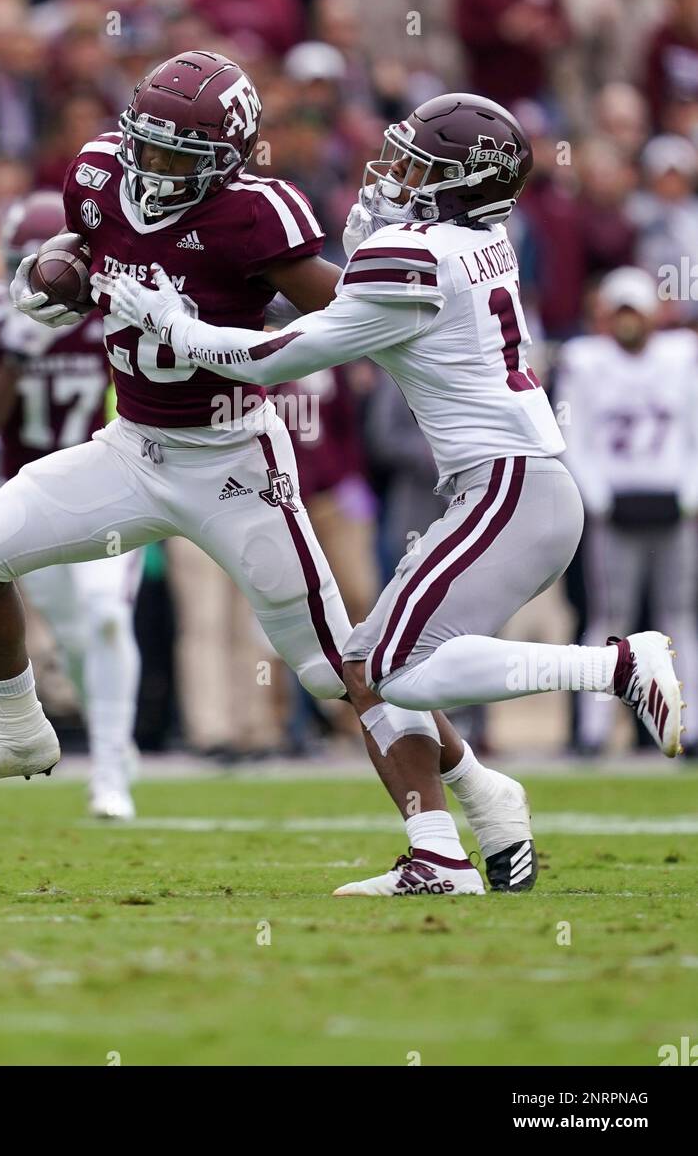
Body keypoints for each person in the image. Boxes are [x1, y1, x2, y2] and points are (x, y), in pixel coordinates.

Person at [0, 53, 534, 892]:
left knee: (341, 669)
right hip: (131, 448)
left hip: (235, 461)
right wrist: (52, 273)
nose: (153, 167)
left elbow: (349, 312)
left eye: (178, 157)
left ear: (228, 159)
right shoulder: (96, 173)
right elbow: (85, 244)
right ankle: (20, 730)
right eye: (146, 146)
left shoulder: (257, 214)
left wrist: (229, 326)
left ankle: (474, 805)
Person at [104, 92, 685, 898]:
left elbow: (273, 358)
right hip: (511, 488)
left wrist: (172, 323)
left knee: (398, 670)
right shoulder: (476, 240)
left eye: (415, 169)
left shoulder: (417, 256)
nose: (391, 178)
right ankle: (445, 848)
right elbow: (363, 300)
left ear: (460, 185)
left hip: (510, 488)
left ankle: (616, 666)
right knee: (365, 666)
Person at [0, 191, 143, 819]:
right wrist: (15, 356)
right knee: (74, 636)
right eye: (25, 265)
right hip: (31, 497)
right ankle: (113, 739)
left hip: (109, 484)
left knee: (106, 615)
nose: (43, 282)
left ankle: (109, 772)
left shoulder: (112, 309)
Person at [555, 266, 698, 754]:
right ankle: (593, 732)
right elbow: (572, 437)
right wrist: (599, 498)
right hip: (614, 510)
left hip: (672, 506)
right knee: (609, 618)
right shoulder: (585, 361)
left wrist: (688, 494)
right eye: (620, 311)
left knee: (679, 616)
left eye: (636, 311)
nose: (629, 321)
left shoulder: (681, 356)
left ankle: (689, 727)